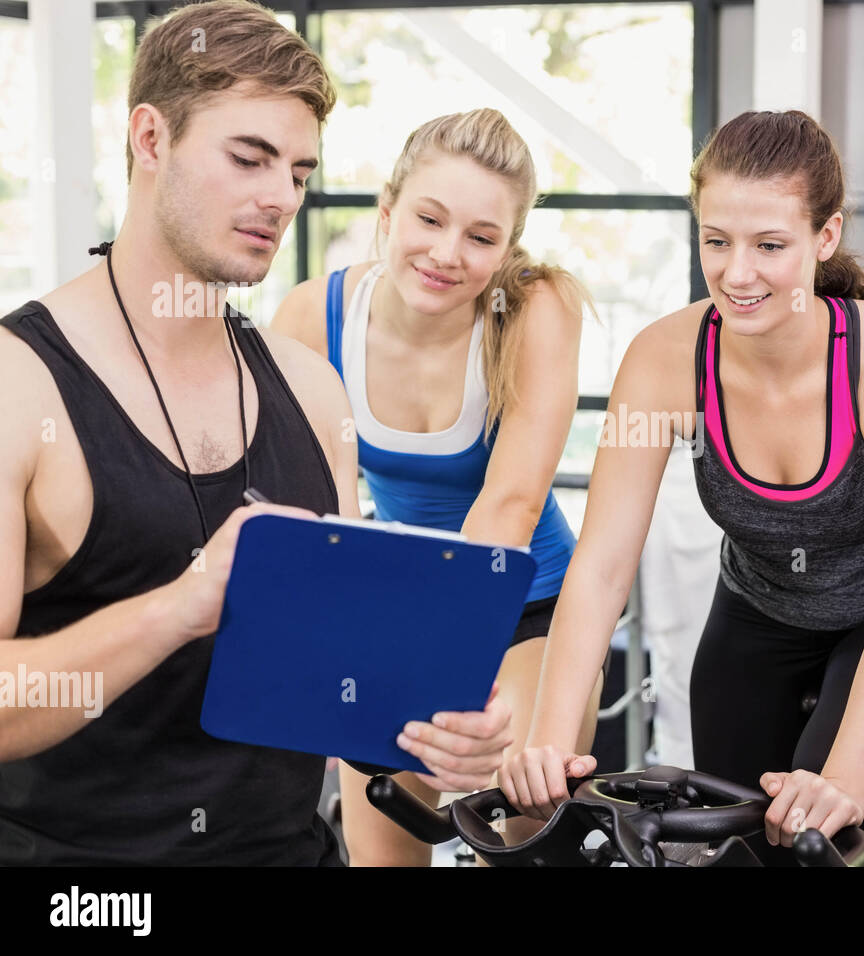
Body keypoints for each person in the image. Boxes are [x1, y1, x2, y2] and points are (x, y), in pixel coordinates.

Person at [0, 0, 509, 865]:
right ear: (150, 139)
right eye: (249, 157)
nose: (281, 197)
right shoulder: (18, 385)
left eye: (300, 172)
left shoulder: (311, 391)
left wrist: (433, 727)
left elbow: (335, 693)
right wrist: (180, 606)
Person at [500, 110, 864, 867]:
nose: (737, 272)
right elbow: (598, 571)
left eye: (770, 245)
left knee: (820, 832)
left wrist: (841, 790)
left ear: (825, 238)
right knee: (733, 843)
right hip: (761, 612)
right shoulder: (664, 358)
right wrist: (550, 755)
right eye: (716, 241)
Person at [272, 108, 598, 866]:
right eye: (429, 219)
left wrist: (436, 673)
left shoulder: (535, 308)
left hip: (532, 608)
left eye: (481, 237)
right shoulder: (313, 317)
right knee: (383, 850)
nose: (447, 254)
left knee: (515, 835)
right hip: (392, 612)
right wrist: (352, 662)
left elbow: (510, 503)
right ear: (387, 212)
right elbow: (324, 517)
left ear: (508, 249)